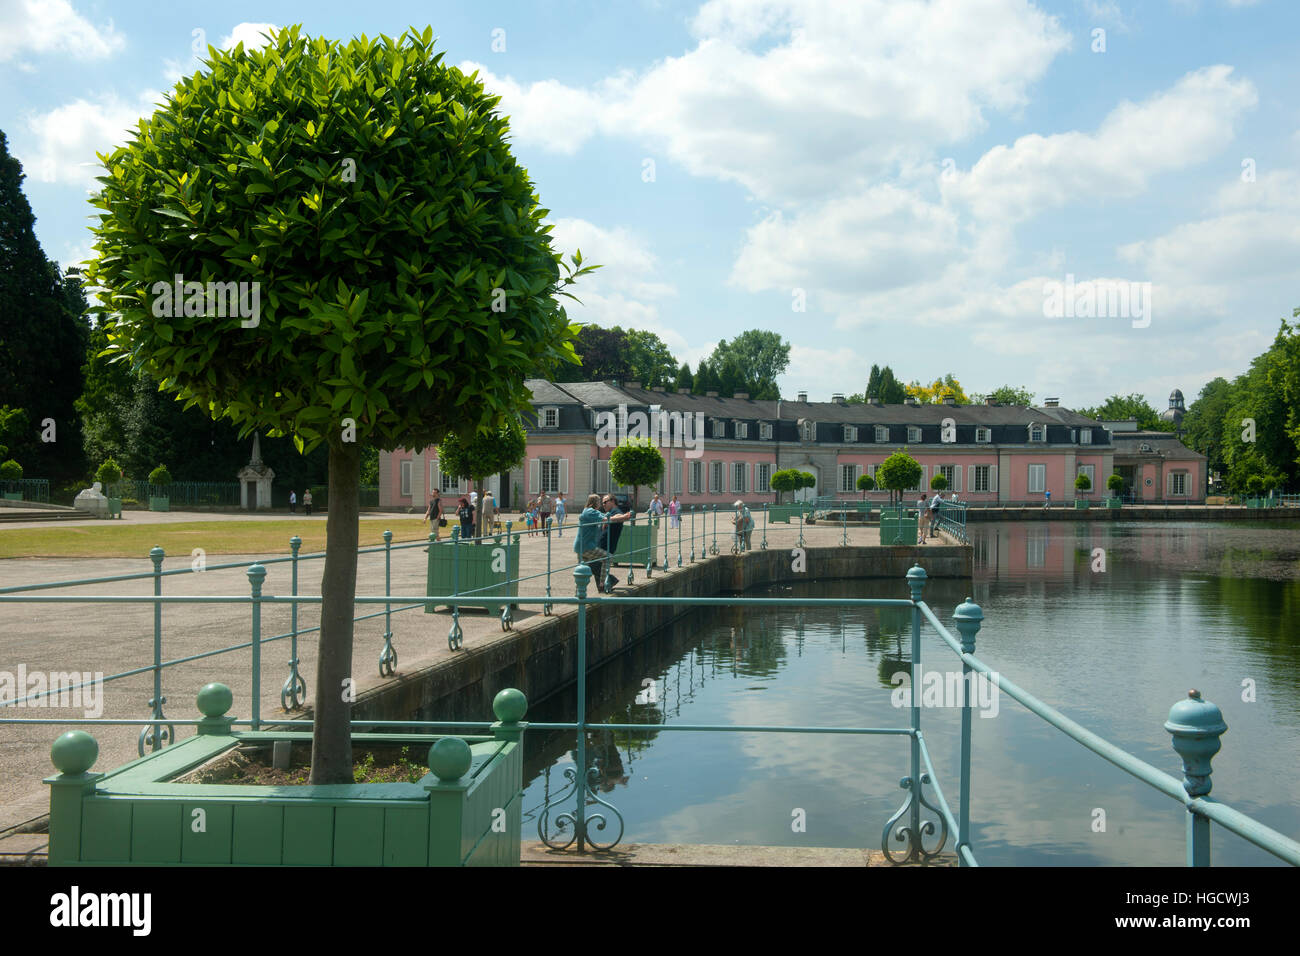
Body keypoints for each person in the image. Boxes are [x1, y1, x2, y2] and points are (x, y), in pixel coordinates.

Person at [574, 494, 611, 593]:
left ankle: (578, 593)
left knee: (582, 571)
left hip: (581, 545)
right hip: (586, 546)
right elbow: (605, 518)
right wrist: (614, 516)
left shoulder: (587, 511)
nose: (600, 504)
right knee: (607, 557)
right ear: (595, 502)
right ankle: (603, 584)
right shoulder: (590, 512)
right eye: (599, 502)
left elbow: (602, 516)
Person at [600, 494, 634, 591]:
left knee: (594, 565)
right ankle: (606, 583)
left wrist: (623, 517)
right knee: (594, 565)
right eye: (602, 502)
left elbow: (620, 516)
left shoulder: (616, 511)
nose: (603, 504)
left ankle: (607, 583)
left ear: (612, 501)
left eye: (605, 502)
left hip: (608, 546)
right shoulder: (610, 512)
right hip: (603, 545)